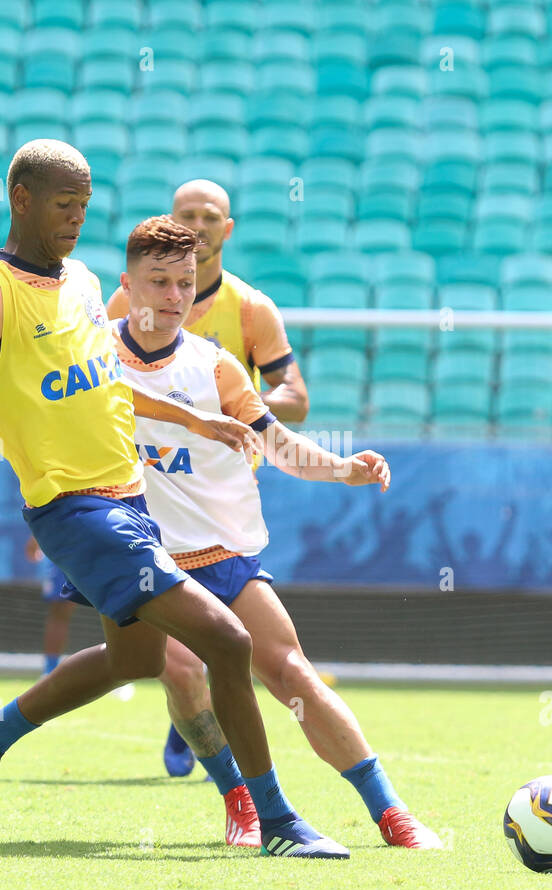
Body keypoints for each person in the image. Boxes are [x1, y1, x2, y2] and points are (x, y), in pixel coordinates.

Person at [0, 140, 348, 858]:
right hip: (75, 508)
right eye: (64, 205)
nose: (76, 219)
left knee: (133, 660)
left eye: (85, 206)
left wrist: (195, 418)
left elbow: (108, 383)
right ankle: (276, 820)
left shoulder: (85, 282)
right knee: (229, 641)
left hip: (129, 496)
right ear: (20, 199)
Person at [54, 214, 441, 849]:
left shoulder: (217, 367)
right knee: (180, 671)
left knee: (289, 669)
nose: (175, 296)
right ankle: (241, 799)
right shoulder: (89, 361)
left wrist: (342, 469)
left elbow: (278, 443)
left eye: (186, 282)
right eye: (160, 282)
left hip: (217, 550)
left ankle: (391, 812)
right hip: (139, 552)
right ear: (127, 285)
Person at [107, 178, 311, 775]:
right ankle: (192, 710)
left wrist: (234, 401)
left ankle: (201, 719)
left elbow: (295, 394)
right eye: (187, 215)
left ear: (228, 228)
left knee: (243, 631)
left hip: (222, 480)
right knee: (175, 641)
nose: (199, 224)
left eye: (211, 216)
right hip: (148, 480)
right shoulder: (129, 304)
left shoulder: (250, 308)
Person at [24, 535, 75, 674]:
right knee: (59, 610)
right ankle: (50, 671)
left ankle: (120, 666)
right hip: (64, 552)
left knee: (113, 606)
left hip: (96, 545)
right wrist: (35, 537)